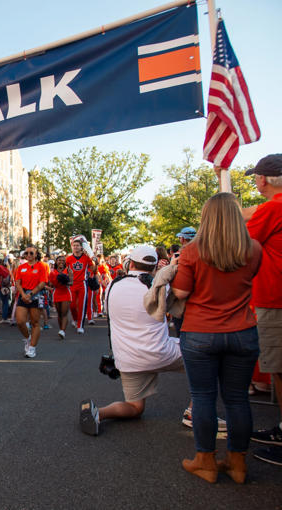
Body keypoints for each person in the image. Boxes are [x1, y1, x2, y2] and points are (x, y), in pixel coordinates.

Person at [171, 193, 262, 483]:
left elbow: (182, 293)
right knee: (237, 400)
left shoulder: (192, 252)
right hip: (242, 332)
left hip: (201, 333)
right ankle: (237, 463)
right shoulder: (254, 249)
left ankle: (206, 461)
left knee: (204, 398)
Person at [79, 246, 184, 438]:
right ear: (154, 267)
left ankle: (98, 412)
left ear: (131, 264)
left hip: (128, 359)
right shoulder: (160, 286)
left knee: (135, 407)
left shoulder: (112, 286)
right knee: (203, 358)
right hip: (161, 352)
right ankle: (195, 410)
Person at [242, 154, 282, 467]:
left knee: (280, 369)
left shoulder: (274, 207)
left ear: (265, 179)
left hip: (275, 299)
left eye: (255, 176)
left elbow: (241, 240)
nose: (255, 181)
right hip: (272, 297)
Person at [15, 246, 48, 358]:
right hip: (23, 295)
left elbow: (43, 283)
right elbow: (18, 282)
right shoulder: (21, 267)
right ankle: (28, 338)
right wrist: (24, 295)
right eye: (26, 253)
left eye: (31, 253)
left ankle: (32, 347)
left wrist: (31, 294)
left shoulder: (42, 266)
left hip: (36, 295)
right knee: (20, 321)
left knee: (35, 322)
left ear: (36, 254)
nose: (28, 255)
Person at [66, 236, 95, 333]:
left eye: (77, 245)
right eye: (74, 245)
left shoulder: (86, 258)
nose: (75, 247)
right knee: (72, 305)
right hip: (72, 284)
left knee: (82, 305)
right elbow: (65, 270)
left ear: (81, 247)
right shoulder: (69, 259)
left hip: (83, 284)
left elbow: (93, 269)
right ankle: (75, 319)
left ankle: (80, 326)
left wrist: (95, 263)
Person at [48, 255, 73, 339]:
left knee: (64, 313)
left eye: (63, 260)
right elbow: (50, 284)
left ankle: (62, 330)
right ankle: (61, 328)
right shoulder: (52, 272)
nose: (61, 262)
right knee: (59, 313)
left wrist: (65, 281)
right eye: (59, 260)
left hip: (66, 292)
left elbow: (71, 282)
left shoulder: (68, 270)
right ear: (56, 262)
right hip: (57, 292)